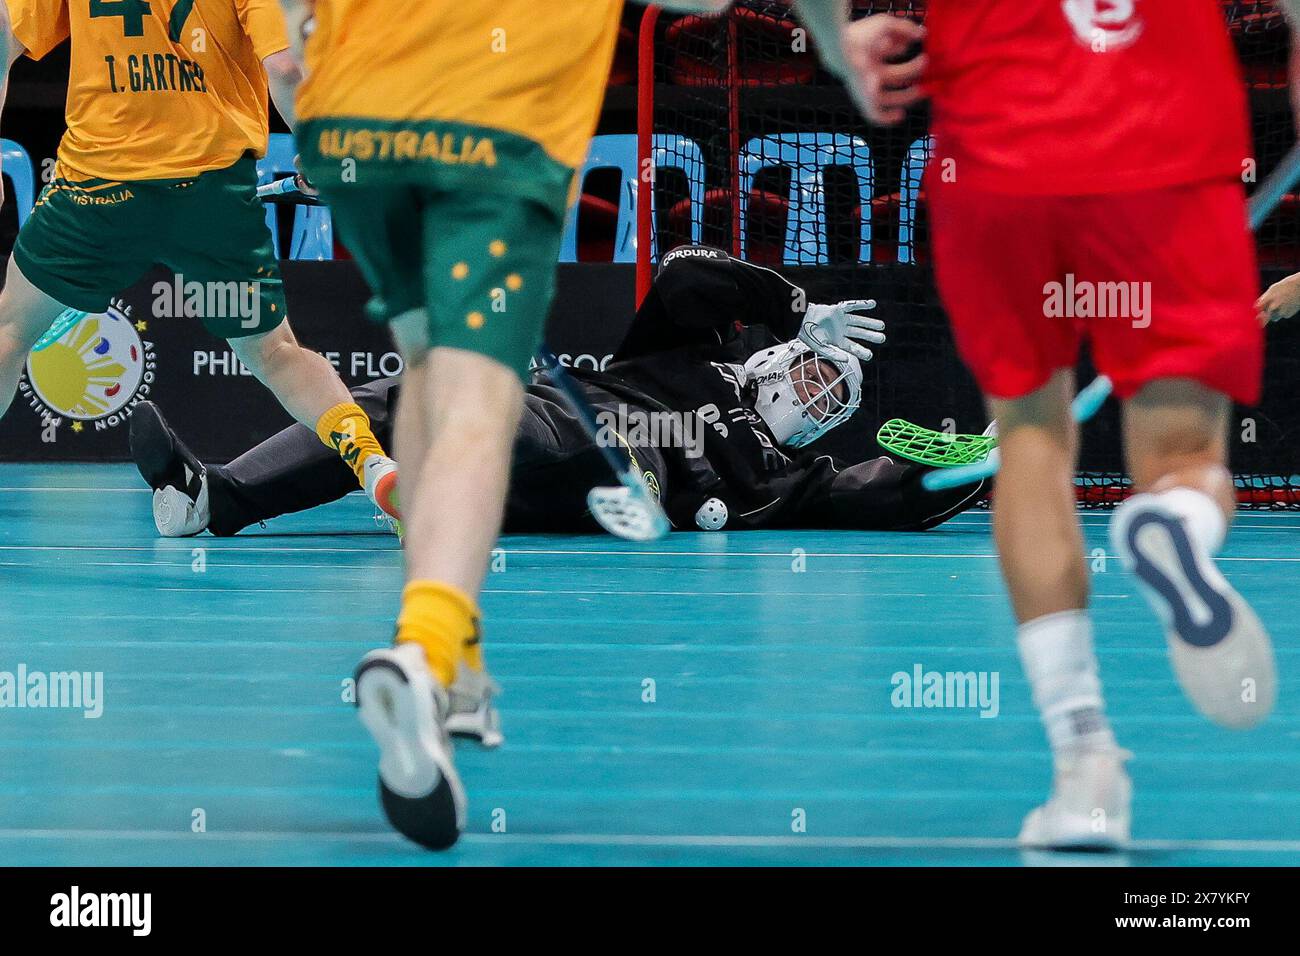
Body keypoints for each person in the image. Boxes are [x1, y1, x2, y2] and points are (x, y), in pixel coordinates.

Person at [277, 0, 907, 850]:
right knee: (470, 399)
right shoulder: (698, 354)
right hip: (496, 128)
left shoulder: (783, 472)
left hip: (360, 111)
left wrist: (300, 78)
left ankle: (456, 662)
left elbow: (287, 41)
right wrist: (837, 42)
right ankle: (425, 650)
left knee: (426, 371)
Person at [841, 0, 1282, 849]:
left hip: (997, 155)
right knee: (1187, 456)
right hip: (1168, 146)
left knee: (1033, 441)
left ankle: (1086, 769)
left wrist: (835, 39)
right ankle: (1176, 521)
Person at [128, 246, 988, 540]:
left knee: (528, 439)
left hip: (618, 479)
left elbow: (861, 495)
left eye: (831, 399)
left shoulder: (775, 475)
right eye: (812, 367)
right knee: (407, 401)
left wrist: (973, 472)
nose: (813, 393)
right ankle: (211, 500)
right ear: (772, 358)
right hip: (553, 408)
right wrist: (793, 307)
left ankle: (439, 486)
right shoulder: (682, 356)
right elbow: (691, 275)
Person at [0, 0, 396, 516]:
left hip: (97, 192)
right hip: (210, 199)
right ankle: (374, 467)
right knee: (276, 355)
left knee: (10, 331)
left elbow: (4, 31)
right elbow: (285, 66)